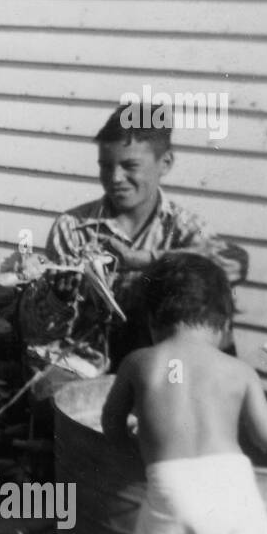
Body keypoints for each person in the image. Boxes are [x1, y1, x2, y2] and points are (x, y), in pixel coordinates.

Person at [102, 254, 267, 534]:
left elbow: (111, 422)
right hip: (232, 486)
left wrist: (136, 452)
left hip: (169, 487)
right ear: (224, 325)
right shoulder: (239, 370)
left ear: (152, 320)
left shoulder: (139, 362)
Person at [45, 102, 249, 364]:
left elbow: (232, 264)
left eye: (130, 166)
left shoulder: (187, 229)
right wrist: (58, 298)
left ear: (165, 163)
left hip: (163, 372)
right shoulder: (72, 227)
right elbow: (47, 328)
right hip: (85, 366)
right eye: (106, 166)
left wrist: (142, 259)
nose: (115, 177)